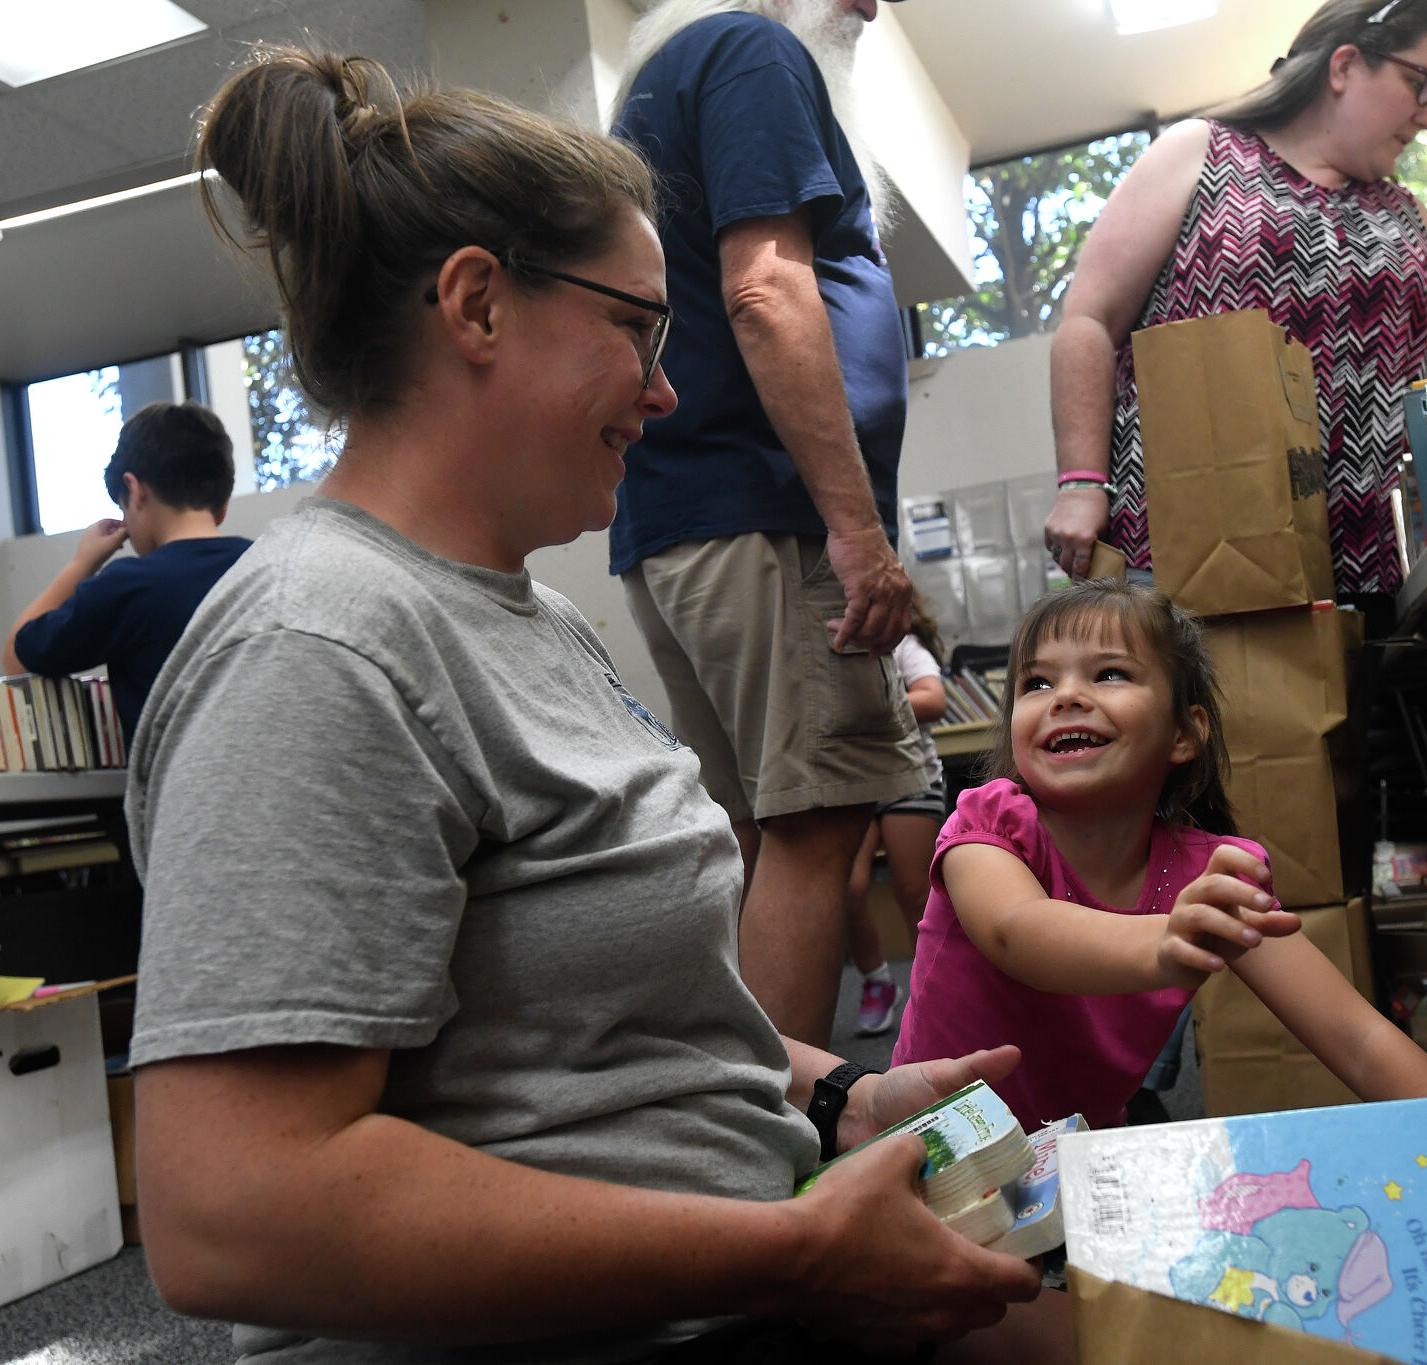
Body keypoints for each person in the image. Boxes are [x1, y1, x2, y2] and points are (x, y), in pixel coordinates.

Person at [126, 46, 1040, 1365]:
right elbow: (234, 1216)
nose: (666, 391)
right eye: (639, 328)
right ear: (479, 305)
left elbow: (606, 1014)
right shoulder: (318, 649)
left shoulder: (531, 621)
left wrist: (838, 1091)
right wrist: (796, 1249)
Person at [610, 0, 926, 1047]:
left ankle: (743, 1132)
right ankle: (784, 1156)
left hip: (688, 519)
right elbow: (765, 290)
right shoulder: (751, 49)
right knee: (817, 820)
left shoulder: (670, 73)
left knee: (756, 833)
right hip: (758, 511)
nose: (872, 6)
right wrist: (857, 530)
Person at [893, 579, 1427, 1131]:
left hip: (1075, 1161)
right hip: (932, 1153)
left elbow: (1359, 1039)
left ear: (1185, 734)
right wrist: (1163, 942)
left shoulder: (1211, 873)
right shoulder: (988, 823)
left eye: (1110, 673)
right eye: (1036, 683)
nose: (1064, 696)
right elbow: (1017, 929)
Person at [1043, 0, 1427, 605]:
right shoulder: (1202, 153)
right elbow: (1089, 321)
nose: (1426, 116)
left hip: (1369, 572)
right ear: (1344, 64)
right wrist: (1081, 482)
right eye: (1418, 81)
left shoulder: (1412, 220)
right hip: (1188, 558)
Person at [3, 400, 250, 746]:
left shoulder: (129, 586)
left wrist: (81, 565)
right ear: (222, 504)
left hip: (176, 798)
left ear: (134, 490)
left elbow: (17, 658)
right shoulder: (269, 566)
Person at [843, 591, 950, 1037]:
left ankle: (937, 991)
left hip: (910, 778)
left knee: (914, 890)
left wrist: (869, 705)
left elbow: (934, 699)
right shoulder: (825, 651)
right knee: (847, 888)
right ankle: (878, 983)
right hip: (852, 782)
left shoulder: (902, 645)